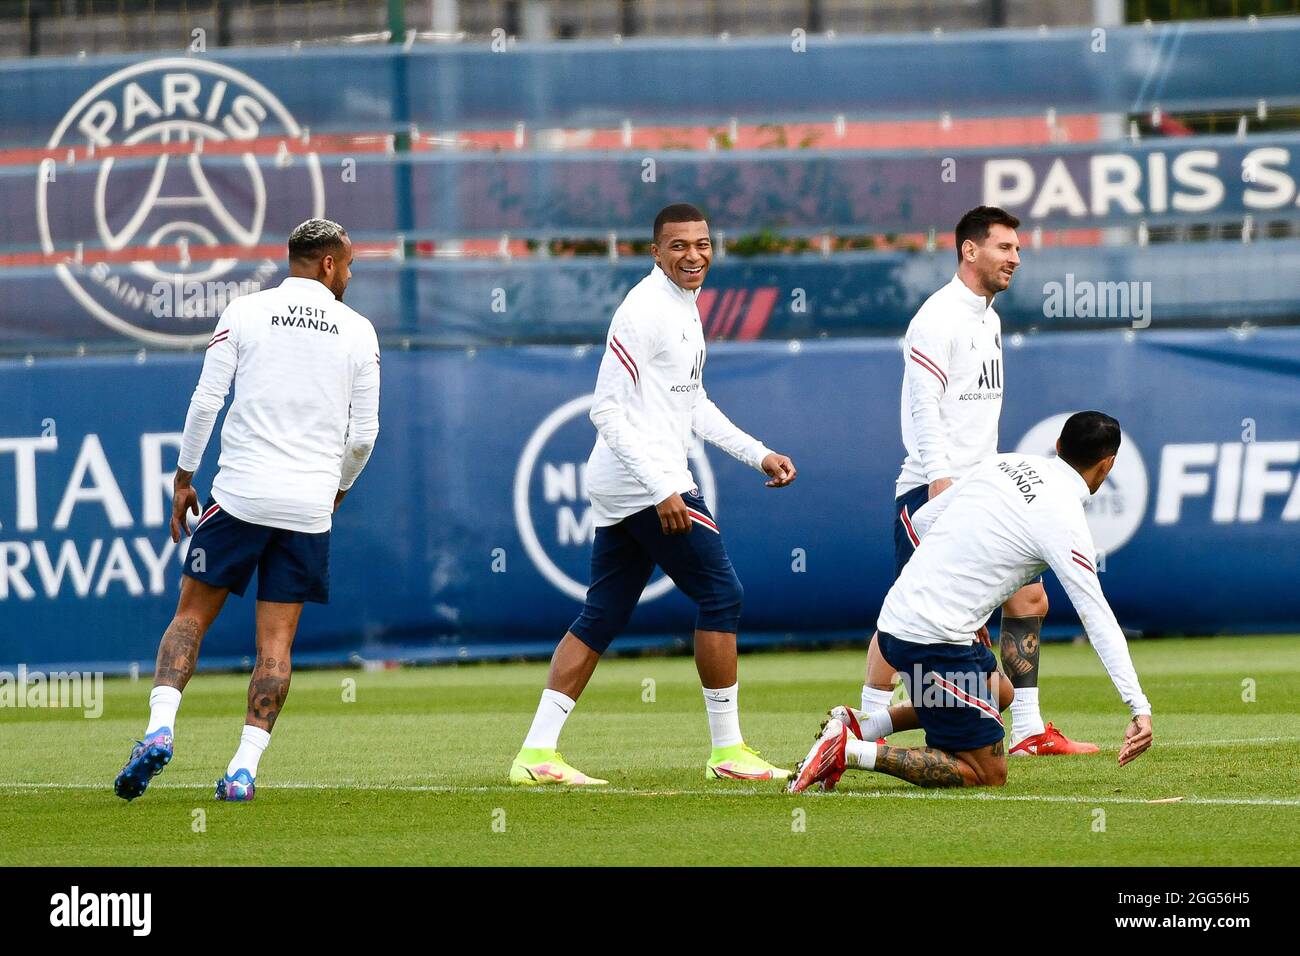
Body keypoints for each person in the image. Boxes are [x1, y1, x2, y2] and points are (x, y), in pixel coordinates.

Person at [509, 203, 798, 786]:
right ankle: (727, 752)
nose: (694, 255)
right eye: (679, 246)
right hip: (642, 481)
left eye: (703, 244)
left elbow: (693, 404)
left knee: (603, 613)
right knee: (723, 595)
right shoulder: (642, 310)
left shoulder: (685, 308)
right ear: (655, 252)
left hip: (636, 482)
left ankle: (536, 754)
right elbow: (606, 410)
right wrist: (663, 486)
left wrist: (758, 453)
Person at [113, 218, 380, 803]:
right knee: (275, 647)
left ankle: (159, 731)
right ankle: (242, 771)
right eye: (350, 263)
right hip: (308, 507)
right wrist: (335, 491)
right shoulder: (360, 331)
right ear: (329, 264)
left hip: (240, 496)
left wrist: (184, 476)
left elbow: (207, 400)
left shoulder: (245, 311)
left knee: (189, 620)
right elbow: (363, 437)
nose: (352, 273)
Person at [790, 412, 1153, 792]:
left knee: (1001, 692)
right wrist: (1138, 707)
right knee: (986, 773)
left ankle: (864, 724)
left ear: (1058, 446)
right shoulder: (1067, 520)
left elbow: (924, 520)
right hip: (933, 640)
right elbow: (1097, 618)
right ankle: (849, 750)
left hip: (896, 621)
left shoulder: (1006, 463)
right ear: (1107, 464)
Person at [857, 205, 1096, 756]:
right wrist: (941, 487)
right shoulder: (936, 318)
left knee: (1030, 599)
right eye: (1005, 247)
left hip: (982, 494)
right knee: (912, 614)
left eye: (1017, 248)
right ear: (970, 251)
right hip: (934, 494)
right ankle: (865, 722)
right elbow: (924, 409)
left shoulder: (988, 319)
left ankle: (1030, 730)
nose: (1016, 257)